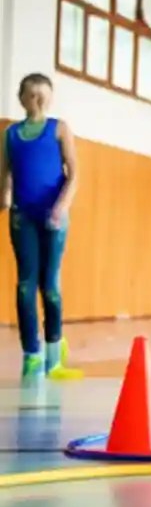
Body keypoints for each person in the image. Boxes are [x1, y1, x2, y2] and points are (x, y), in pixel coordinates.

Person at [0, 74, 77, 379]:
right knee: (24, 285)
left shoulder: (59, 129)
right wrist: (4, 198)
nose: (39, 100)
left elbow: (74, 174)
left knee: (51, 286)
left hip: (53, 217)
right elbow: (4, 175)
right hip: (23, 217)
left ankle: (54, 354)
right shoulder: (10, 134)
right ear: (22, 99)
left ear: (51, 98)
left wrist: (61, 206)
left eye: (44, 95)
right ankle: (32, 354)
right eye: (32, 95)